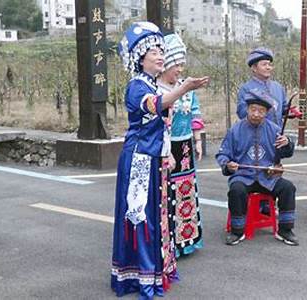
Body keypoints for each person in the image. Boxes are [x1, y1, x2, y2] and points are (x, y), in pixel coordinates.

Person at [112, 21, 209, 299]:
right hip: (139, 160)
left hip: (154, 157)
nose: (159, 55)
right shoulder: (137, 87)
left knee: (157, 215)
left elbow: (163, 125)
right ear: (140, 57)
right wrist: (184, 88)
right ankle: (141, 275)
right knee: (141, 217)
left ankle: (155, 270)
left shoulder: (151, 84)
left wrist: (167, 155)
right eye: (153, 50)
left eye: (160, 50)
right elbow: (156, 106)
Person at [216, 88, 299, 246]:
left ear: (266, 113)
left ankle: (285, 230)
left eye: (261, 111)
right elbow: (223, 154)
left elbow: (286, 153)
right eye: (253, 109)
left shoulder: (274, 129)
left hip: (268, 177)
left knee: (288, 187)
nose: (256, 114)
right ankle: (237, 230)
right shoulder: (235, 130)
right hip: (243, 175)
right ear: (247, 109)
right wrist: (228, 165)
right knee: (236, 190)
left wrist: (287, 143)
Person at [157, 33, 204, 257]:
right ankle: (170, 243)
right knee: (168, 194)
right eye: (176, 64)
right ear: (165, 64)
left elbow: (195, 114)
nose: (179, 69)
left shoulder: (187, 88)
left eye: (182, 64)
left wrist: (197, 141)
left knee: (187, 191)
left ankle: (188, 239)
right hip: (167, 148)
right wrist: (166, 152)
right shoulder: (158, 91)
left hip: (185, 147)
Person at [236, 47, 288, 127]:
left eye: (269, 64)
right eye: (264, 64)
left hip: (277, 135)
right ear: (254, 68)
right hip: (254, 135)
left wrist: (291, 112)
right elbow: (242, 113)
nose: (268, 67)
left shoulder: (278, 87)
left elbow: (284, 109)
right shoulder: (246, 89)